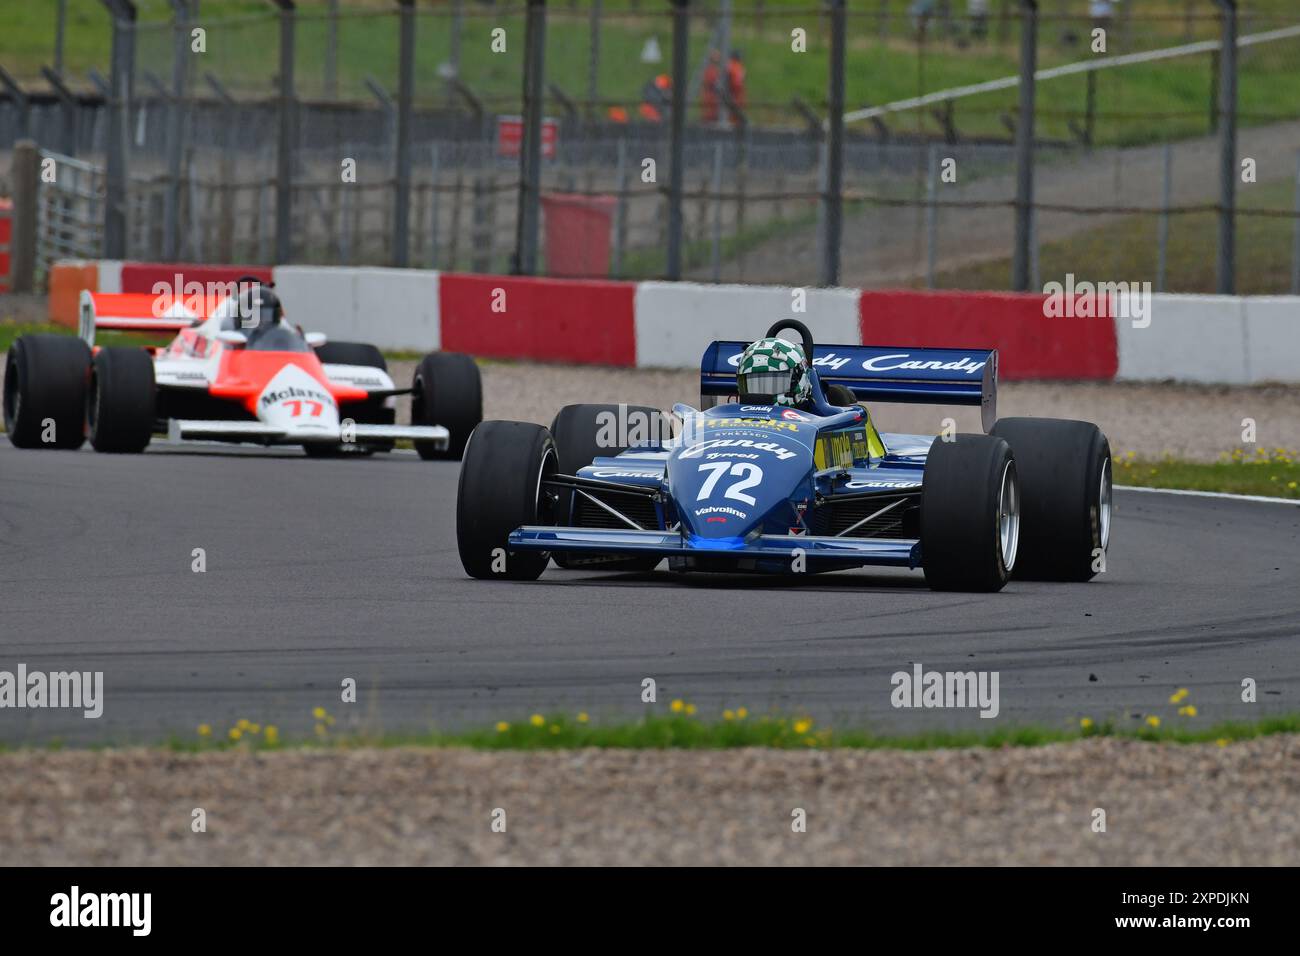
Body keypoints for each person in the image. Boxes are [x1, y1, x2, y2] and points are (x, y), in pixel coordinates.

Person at [735, 336, 813, 408]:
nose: (762, 395)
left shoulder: (815, 416)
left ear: (801, 379)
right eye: (753, 385)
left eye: (774, 384)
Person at [700, 49, 722, 124]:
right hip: (710, 100)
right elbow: (712, 84)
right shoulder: (710, 70)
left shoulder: (715, 70)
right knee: (709, 119)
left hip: (713, 101)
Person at [725, 49, 746, 125]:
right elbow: (737, 84)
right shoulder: (735, 67)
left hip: (734, 97)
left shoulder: (732, 66)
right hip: (734, 97)